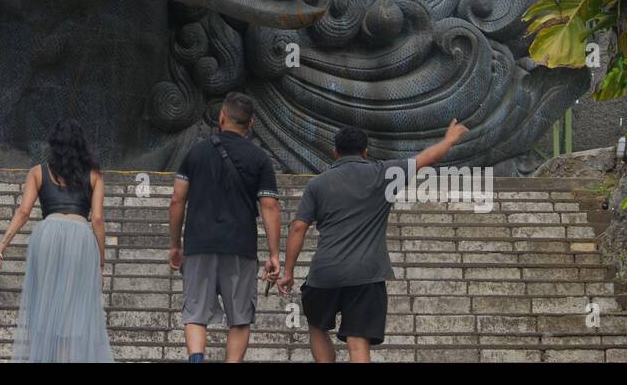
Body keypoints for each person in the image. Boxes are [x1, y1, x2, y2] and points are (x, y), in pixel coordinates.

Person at [277, 118, 469, 362]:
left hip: (325, 272)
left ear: (335, 152)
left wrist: (288, 271)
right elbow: (426, 159)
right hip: (366, 275)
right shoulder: (383, 173)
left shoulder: (318, 184)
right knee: (358, 343)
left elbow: (298, 228)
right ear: (366, 151)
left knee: (317, 326)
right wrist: (449, 139)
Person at [168, 91, 280, 363]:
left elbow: (177, 199)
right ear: (251, 123)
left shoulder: (196, 152)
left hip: (199, 243)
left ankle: (196, 358)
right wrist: (274, 254)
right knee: (240, 318)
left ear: (221, 116)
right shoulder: (260, 159)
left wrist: (175, 244)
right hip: (240, 246)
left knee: (195, 312)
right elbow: (269, 206)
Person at [0, 118, 113, 363]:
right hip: (80, 237)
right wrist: (101, 263)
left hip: (47, 235)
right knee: (72, 311)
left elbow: (23, 212)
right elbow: (97, 220)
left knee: (45, 305)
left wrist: (0, 249)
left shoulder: (37, 172)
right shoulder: (95, 176)